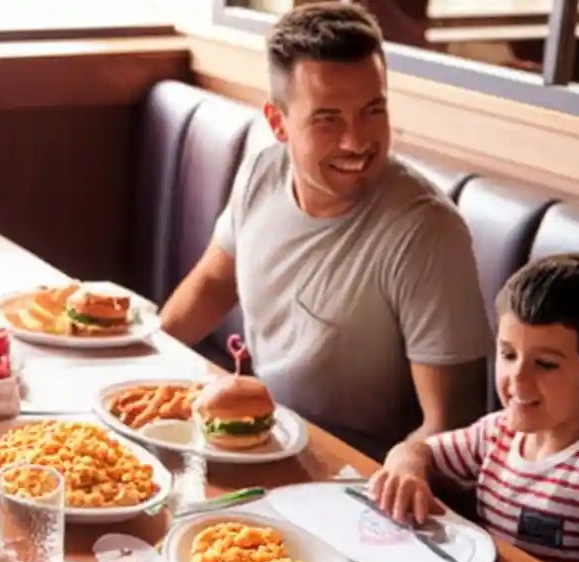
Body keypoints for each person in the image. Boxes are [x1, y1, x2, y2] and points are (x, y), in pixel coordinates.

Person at [160, 2, 490, 460]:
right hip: (260, 442)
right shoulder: (261, 172)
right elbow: (213, 284)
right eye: (328, 119)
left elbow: (452, 428)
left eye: (372, 111)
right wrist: (149, 361)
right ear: (278, 124)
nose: (356, 141)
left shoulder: (427, 232)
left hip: (357, 483)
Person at [369, 254, 579, 562]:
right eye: (508, 354)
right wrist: (407, 468)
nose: (517, 380)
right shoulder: (496, 434)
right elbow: (417, 450)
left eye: (545, 364)